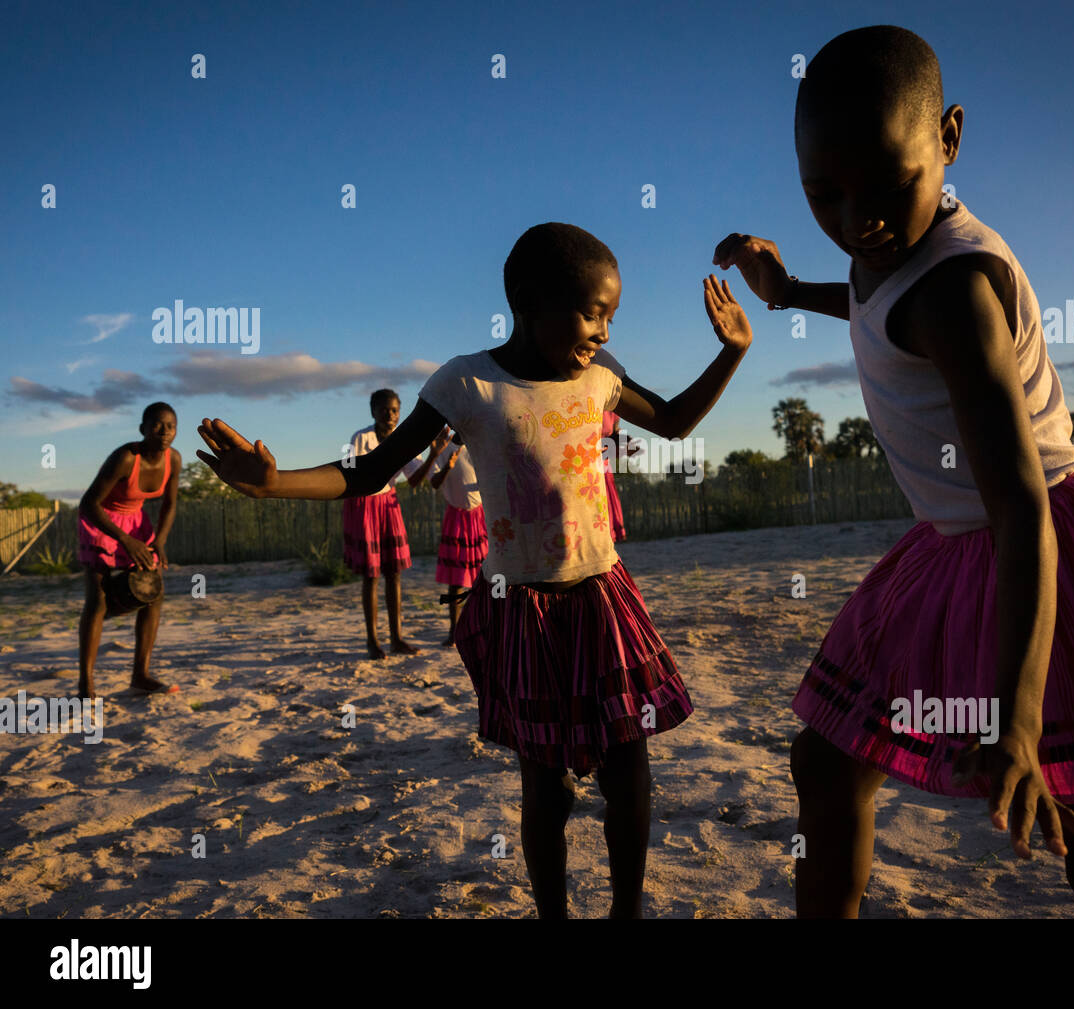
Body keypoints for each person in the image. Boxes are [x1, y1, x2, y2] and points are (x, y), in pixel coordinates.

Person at [713, 25, 1074, 919]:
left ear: (951, 137)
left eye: (886, 187)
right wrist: (786, 292)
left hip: (1045, 547)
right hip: (958, 544)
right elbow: (871, 290)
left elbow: (1020, 510)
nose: (860, 221)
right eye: (826, 194)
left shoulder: (956, 294)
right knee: (827, 758)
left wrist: (1019, 722)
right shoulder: (893, 252)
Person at [196, 222, 753, 917]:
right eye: (591, 312)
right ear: (527, 300)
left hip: (603, 597)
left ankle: (626, 910)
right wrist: (273, 483)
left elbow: (671, 421)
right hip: (525, 607)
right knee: (545, 783)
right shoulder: (467, 383)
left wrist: (731, 354)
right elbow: (371, 470)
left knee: (628, 764)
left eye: (612, 315)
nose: (604, 331)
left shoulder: (602, 377)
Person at [77, 402, 181, 698]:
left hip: (136, 522)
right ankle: (86, 685)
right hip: (101, 521)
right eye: (157, 425)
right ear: (142, 429)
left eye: (171, 426)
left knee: (153, 594)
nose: (164, 431)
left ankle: (140, 675)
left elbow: (170, 504)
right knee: (97, 599)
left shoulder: (174, 459)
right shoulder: (125, 458)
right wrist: (125, 540)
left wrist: (159, 540)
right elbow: (88, 503)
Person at [344, 390, 442, 659]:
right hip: (364, 504)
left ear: (400, 412)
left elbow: (413, 480)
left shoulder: (406, 440)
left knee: (395, 573)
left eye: (395, 410)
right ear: (373, 411)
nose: (390, 415)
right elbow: (354, 473)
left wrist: (433, 454)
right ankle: (372, 641)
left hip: (389, 504)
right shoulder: (361, 438)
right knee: (372, 575)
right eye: (384, 409)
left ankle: (397, 638)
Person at [426, 432, 487, 646]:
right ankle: (455, 630)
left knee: (486, 577)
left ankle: (483, 627)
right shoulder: (442, 448)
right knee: (456, 580)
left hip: (480, 516)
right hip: (457, 518)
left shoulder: (478, 442)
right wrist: (447, 467)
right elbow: (434, 482)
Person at [599, 411, 639, 543]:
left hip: (603, 471)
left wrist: (627, 442)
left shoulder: (611, 408)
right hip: (579, 470)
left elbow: (614, 434)